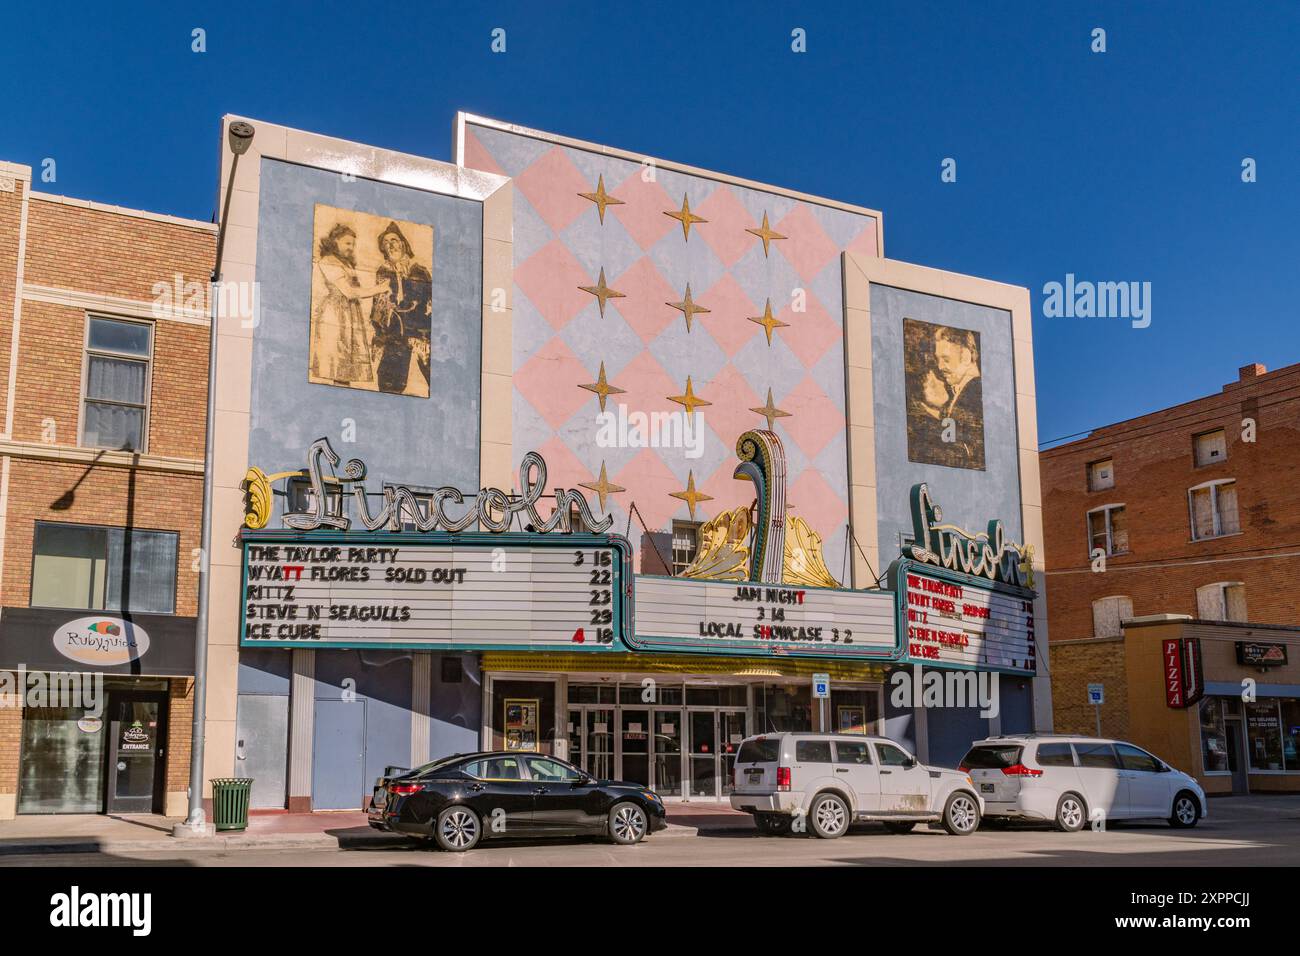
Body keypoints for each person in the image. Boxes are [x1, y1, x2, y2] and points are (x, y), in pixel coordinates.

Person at [310, 224, 391, 387]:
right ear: (335, 242)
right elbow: (349, 292)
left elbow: (356, 290)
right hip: (335, 317)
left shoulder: (346, 263)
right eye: (347, 243)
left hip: (350, 316)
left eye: (353, 244)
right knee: (338, 365)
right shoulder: (328, 261)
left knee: (345, 368)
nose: (351, 248)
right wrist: (379, 289)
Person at [370, 222, 433, 394]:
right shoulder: (383, 273)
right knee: (388, 383)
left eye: (394, 240)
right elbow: (377, 308)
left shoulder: (419, 271)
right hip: (394, 336)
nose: (390, 245)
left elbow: (432, 304)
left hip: (420, 336)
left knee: (434, 379)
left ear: (403, 244)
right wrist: (379, 333)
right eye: (386, 243)